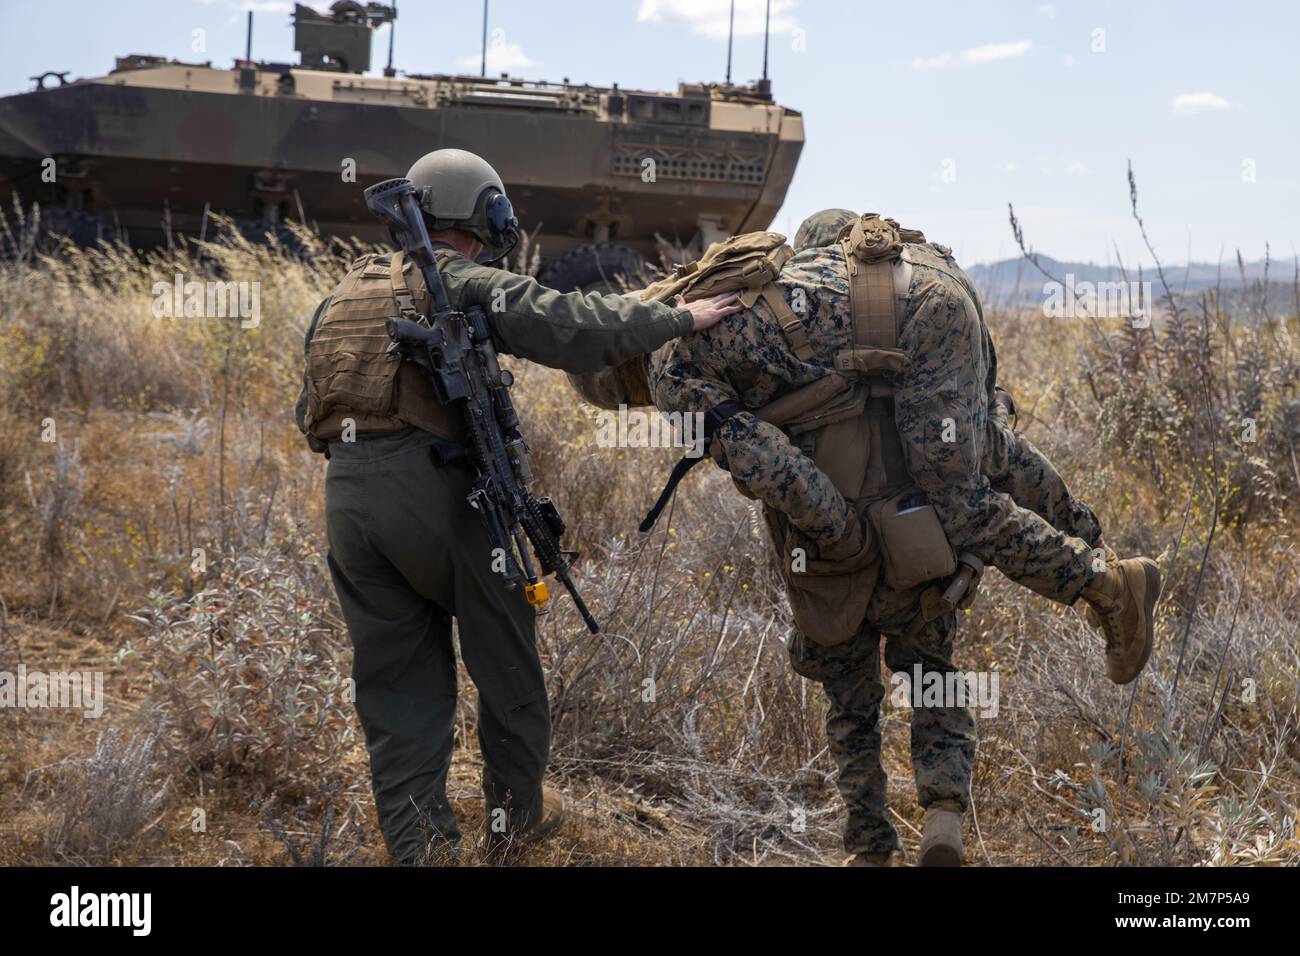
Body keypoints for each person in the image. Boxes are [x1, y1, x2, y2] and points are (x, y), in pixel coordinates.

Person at [644, 208, 1159, 867]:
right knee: (934, 670)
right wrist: (1086, 531)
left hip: (835, 559)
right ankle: (944, 818)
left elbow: (775, 468)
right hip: (922, 543)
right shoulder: (895, 301)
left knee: (847, 692)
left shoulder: (716, 352)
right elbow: (1002, 449)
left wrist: (839, 532)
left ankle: (868, 844)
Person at [295, 148, 739, 863]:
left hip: (349, 506)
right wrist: (679, 318)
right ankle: (515, 833)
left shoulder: (344, 294)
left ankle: (420, 851)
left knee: (397, 690)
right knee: (507, 672)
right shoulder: (461, 281)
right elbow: (572, 326)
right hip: (442, 497)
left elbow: (307, 414)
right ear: (485, 214)